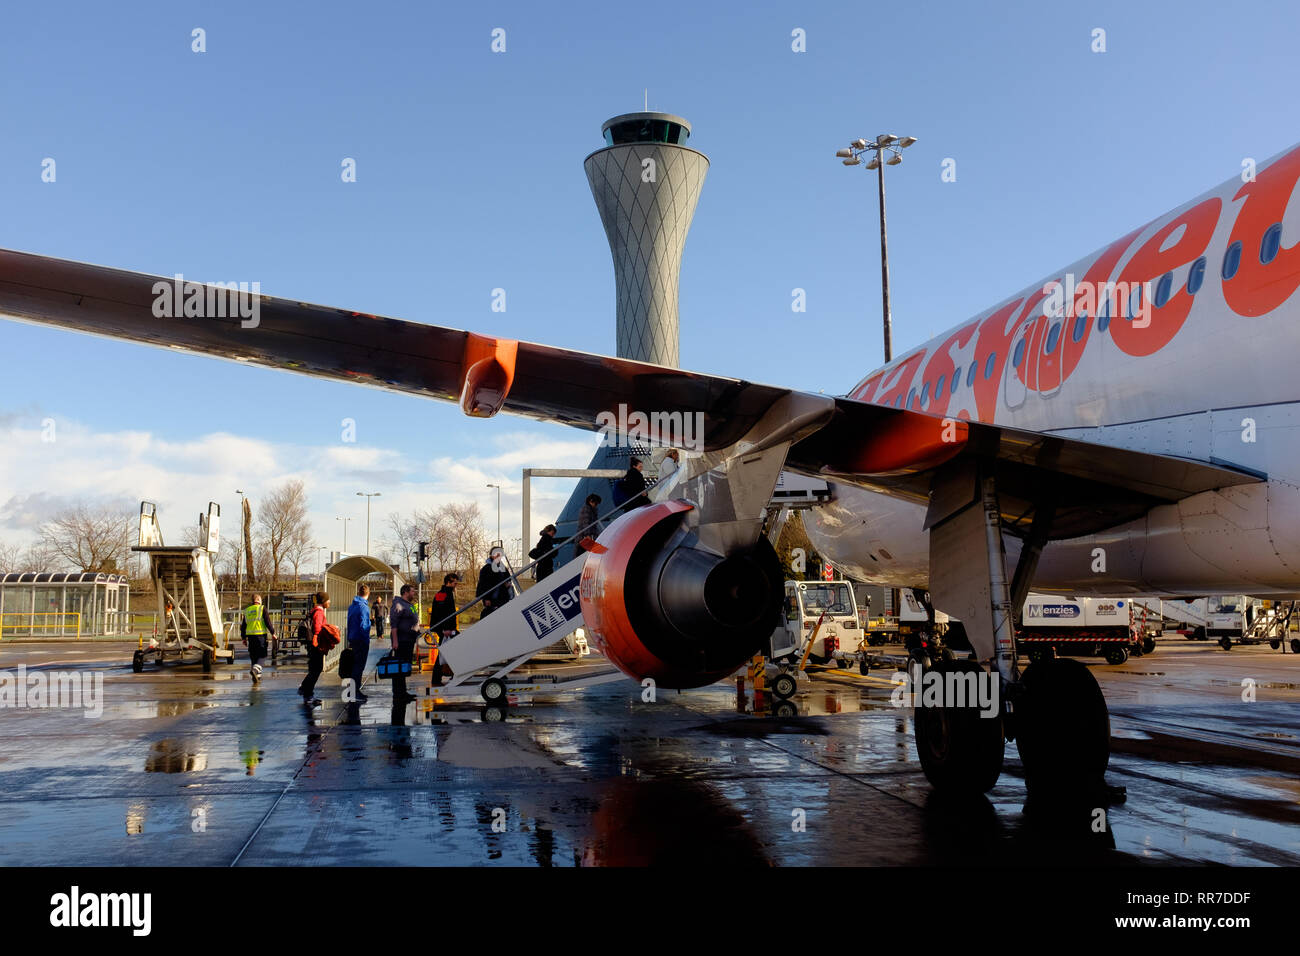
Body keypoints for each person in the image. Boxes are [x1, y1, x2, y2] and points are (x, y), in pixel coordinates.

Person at [298, 591, 331, 707]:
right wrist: (317, 637)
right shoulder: (319, 612)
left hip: (313, 643)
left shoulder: (314, 611)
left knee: (314, 668)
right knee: (316, 669)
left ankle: (305, 690)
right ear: (324, 601)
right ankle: (307, 693)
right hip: (316, 644)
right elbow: (317, 627)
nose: (329, 602)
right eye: (328, 600)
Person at [388, 584, 419, 703]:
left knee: (404, 667)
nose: (414, 593)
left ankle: (403, 692)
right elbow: (394, 624)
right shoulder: (398, 604)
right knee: (399, 667)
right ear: (405, 592)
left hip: (409, 640)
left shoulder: (408, 604)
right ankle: (398, 693)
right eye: (412, 591)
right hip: (402, 641)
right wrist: (395, 641)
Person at [428, 573, 459, 687]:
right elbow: (440, 614)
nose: (456, 585)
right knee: (444, 654)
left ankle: (444, 676)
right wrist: (444, 630)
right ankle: (437, 678)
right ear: (449, 582)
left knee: (446, 653)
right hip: (445, 630)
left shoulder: (447, 593)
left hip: (448, 629)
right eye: (455, 583)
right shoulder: (443, 594)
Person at [241, 592, 275, 683]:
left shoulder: (247, 610)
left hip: (251, 638)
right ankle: (255, 671)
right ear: (259, 600)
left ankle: (256, 678)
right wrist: (273, 633)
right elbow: (268, 622)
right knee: (263, 656)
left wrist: (243, 638)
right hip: (260, 636)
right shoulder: (262, 608)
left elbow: (243, 626)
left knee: (254, 657)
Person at [346, 583, 371, 702]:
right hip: (361, 640)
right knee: (359, 666)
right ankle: (355, 692)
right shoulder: (364, 607)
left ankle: (353, 690)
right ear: (368, 594)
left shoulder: (352, 606)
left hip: (353, 638)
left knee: (354, 665)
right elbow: (364, 626)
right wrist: (366, 640)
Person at [475, 548, 514, 619]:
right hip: (492, 598)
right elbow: (483, 584)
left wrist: (507, 585)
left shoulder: (503, 568)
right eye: (497, 554)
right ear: (492, 555)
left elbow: (508, 579)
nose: (499, 556)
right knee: (490, 617)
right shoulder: (486, 569)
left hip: (502, 597)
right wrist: (486, 598)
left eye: (500, 554)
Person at [574, 493, 603, 560]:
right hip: (584, 537)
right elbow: (585, 523)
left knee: (593, 555)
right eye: (595, 503)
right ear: (590, 501)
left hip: (588, 536)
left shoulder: (592, 510)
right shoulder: (586, 509)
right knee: (583, 557)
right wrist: (588, 534)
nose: (596, 505)